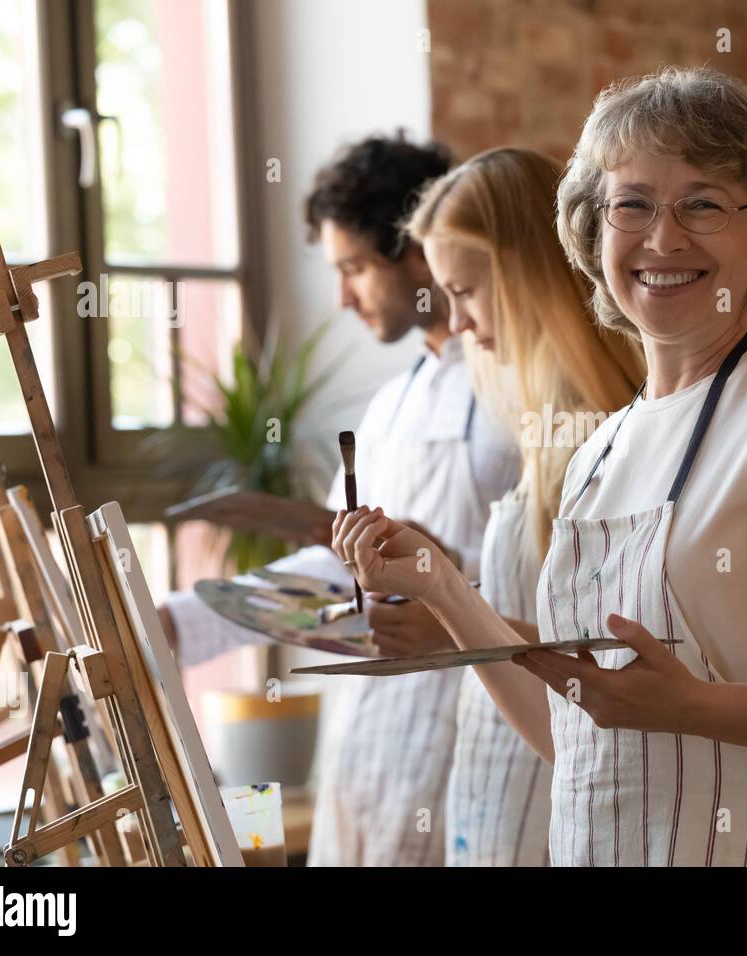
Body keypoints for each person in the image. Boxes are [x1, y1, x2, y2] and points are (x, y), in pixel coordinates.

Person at [333, 67, 747, 866]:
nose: (663, 238)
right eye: (632, 205)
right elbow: (578, 735)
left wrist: (694, 706)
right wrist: (442, 586)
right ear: (592, 233)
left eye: (705, 204)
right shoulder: (600, 448)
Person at [161, 137, 520, 865]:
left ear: (420, 255)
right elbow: (334, 577)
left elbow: (553, 577)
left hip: (474, 745)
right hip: (366, 747)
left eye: (355, 269)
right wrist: (180, 624)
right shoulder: (390, 406)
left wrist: (452, 594)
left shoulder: (522, 397)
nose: (343, 298)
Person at [404, 146, 644, 865]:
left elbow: (605, 673)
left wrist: (449, 611)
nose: (459, 325)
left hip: (552, 816)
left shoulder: (604, 440)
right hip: (496, 805)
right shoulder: (544, 432)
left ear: (528, 276)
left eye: (466, 292)